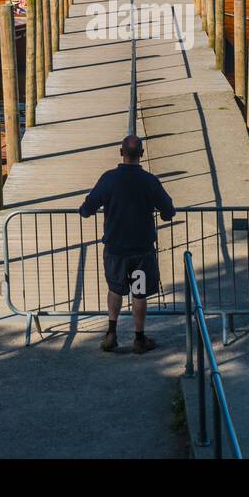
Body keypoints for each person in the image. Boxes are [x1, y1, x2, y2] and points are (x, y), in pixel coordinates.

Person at [78, 134, 176, 354]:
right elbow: (168, 210)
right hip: (141, 251)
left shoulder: (108, 179)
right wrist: (162, 215)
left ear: (121, 152)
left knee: (115, 289)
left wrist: (86, 208)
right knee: (138, 293)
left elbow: (88, 208)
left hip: (115, 250)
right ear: (141, 154)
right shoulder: (149, 181)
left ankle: (111, 333)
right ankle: (139, 338)